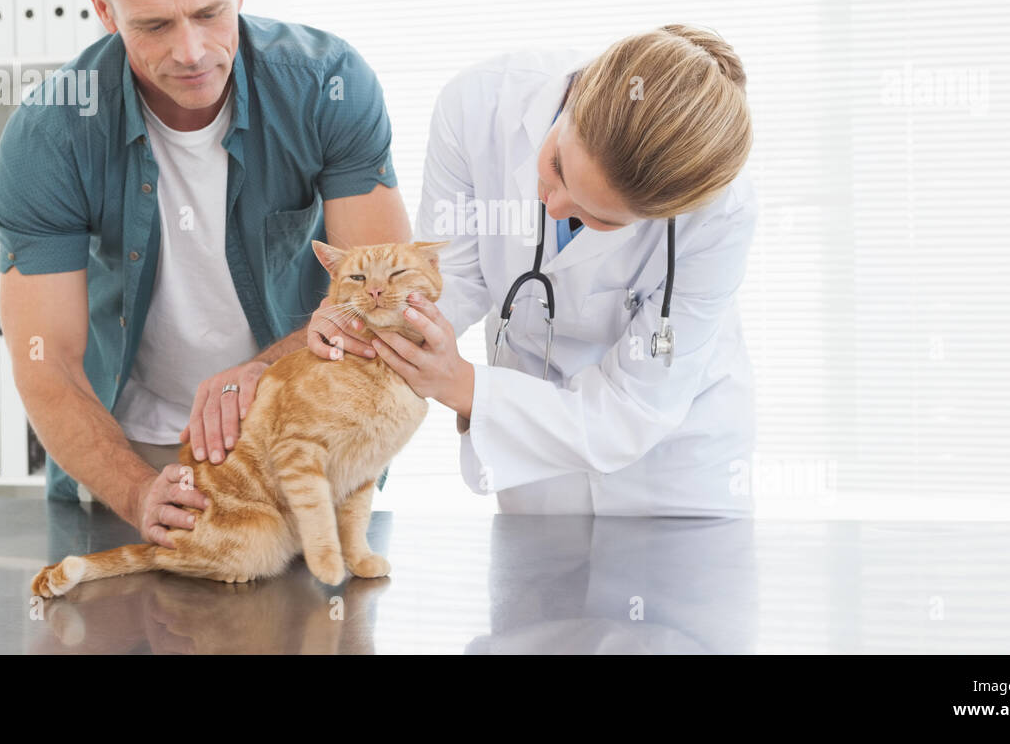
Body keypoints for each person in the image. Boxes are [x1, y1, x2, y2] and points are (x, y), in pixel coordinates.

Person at [0, 0, 410, 548]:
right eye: (154, 25)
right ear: (103, 9)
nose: (191, 52)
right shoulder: (52, 134)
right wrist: (135, 492)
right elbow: (48, 360)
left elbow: (380, 301)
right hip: (134, 450)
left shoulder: (327, 86)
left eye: (211, 13)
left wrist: (262, 373)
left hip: (301, 431)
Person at [313, 27, 757, 515]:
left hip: (673, 461)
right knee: (539, 584)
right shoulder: (477, 106)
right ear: (575, 97)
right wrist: (366, 324)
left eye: (600, 218)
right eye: (558, 167)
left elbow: (635, 407)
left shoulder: (721, 211)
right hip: (533, 451)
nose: (554, 205)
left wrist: (461, 384)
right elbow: (453, 277)